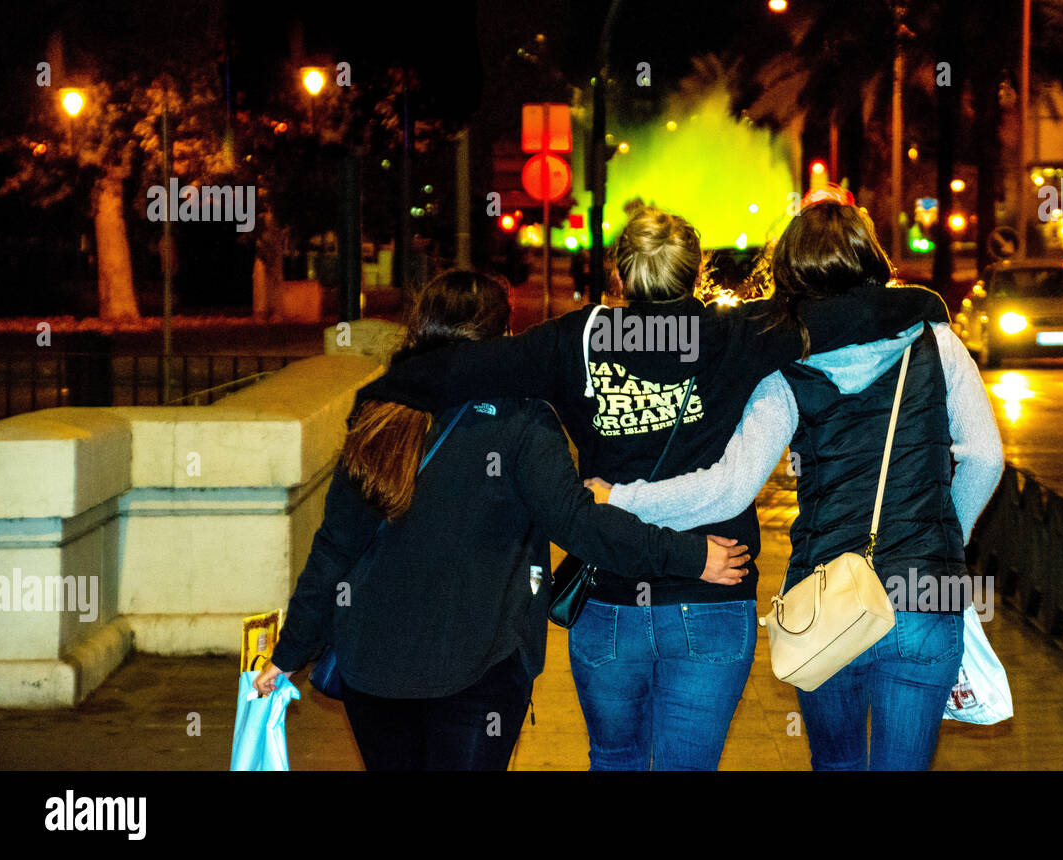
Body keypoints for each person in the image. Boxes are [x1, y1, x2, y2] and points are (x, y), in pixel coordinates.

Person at [355, 204, 950, 770]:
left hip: (608, 599)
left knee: (614, 760)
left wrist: (386, 387)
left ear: (618, 274)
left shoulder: (576, 340)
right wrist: (921, 302)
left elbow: (468, 368)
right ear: (696, 270)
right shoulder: (737, 332)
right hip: (713, 594)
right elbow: (845, 316)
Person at [252, 269, 750, 771]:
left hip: (374, 670)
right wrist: (689, 555)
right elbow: (579, 524)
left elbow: (335, 548)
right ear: (505, 338)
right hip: (478, 669)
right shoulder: (521, 422)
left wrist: (289, 651)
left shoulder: (381, 418)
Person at [589, 194, 1005, 770]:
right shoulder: (938, 342)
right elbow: (984, 458)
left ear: (790, 270)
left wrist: (621, 499)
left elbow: (731, 487)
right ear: (870, 256)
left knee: (835, 766)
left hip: (828, 597)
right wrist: (938, 539)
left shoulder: (787, 365)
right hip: (924, 593)